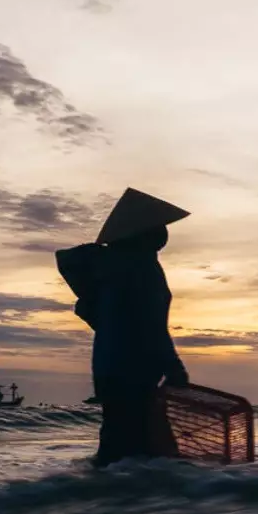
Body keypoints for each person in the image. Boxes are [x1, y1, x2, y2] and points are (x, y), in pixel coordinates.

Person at [55, 188, 191, 468]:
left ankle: (105, 500)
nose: (163, 235)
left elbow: (89, 309)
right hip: (136, 370)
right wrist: (174, 365)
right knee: (137, 452)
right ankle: (124, 502)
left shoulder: (108, 269)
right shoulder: (142, 268)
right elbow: (152, 325)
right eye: (158, 229)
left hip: (108, 369)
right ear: (145, 234)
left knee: (116, 449)